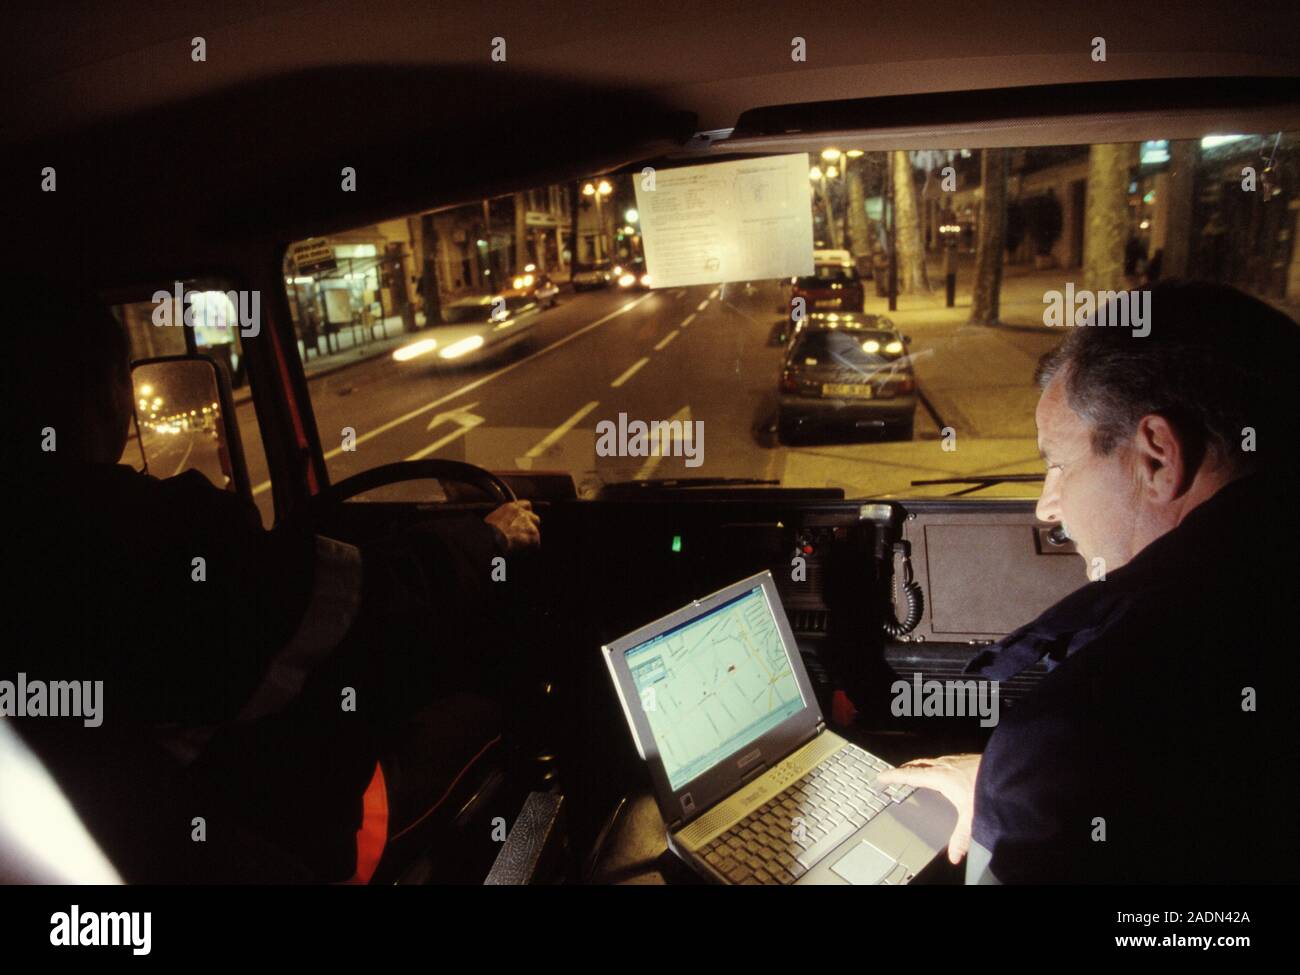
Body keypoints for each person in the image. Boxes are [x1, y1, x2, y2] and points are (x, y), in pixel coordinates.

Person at [3, 283, 541, 882]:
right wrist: (487, 540)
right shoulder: (157, 532)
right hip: (207, 846)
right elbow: (365, 599)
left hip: (97, 844)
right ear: (106, 397)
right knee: (481, 726)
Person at [878, 280, 1299, 883]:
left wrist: (1024, 782)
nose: (1047, 507)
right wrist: (998, 779)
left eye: (1058, 465)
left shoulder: (1086, 726)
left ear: (1157, 456)